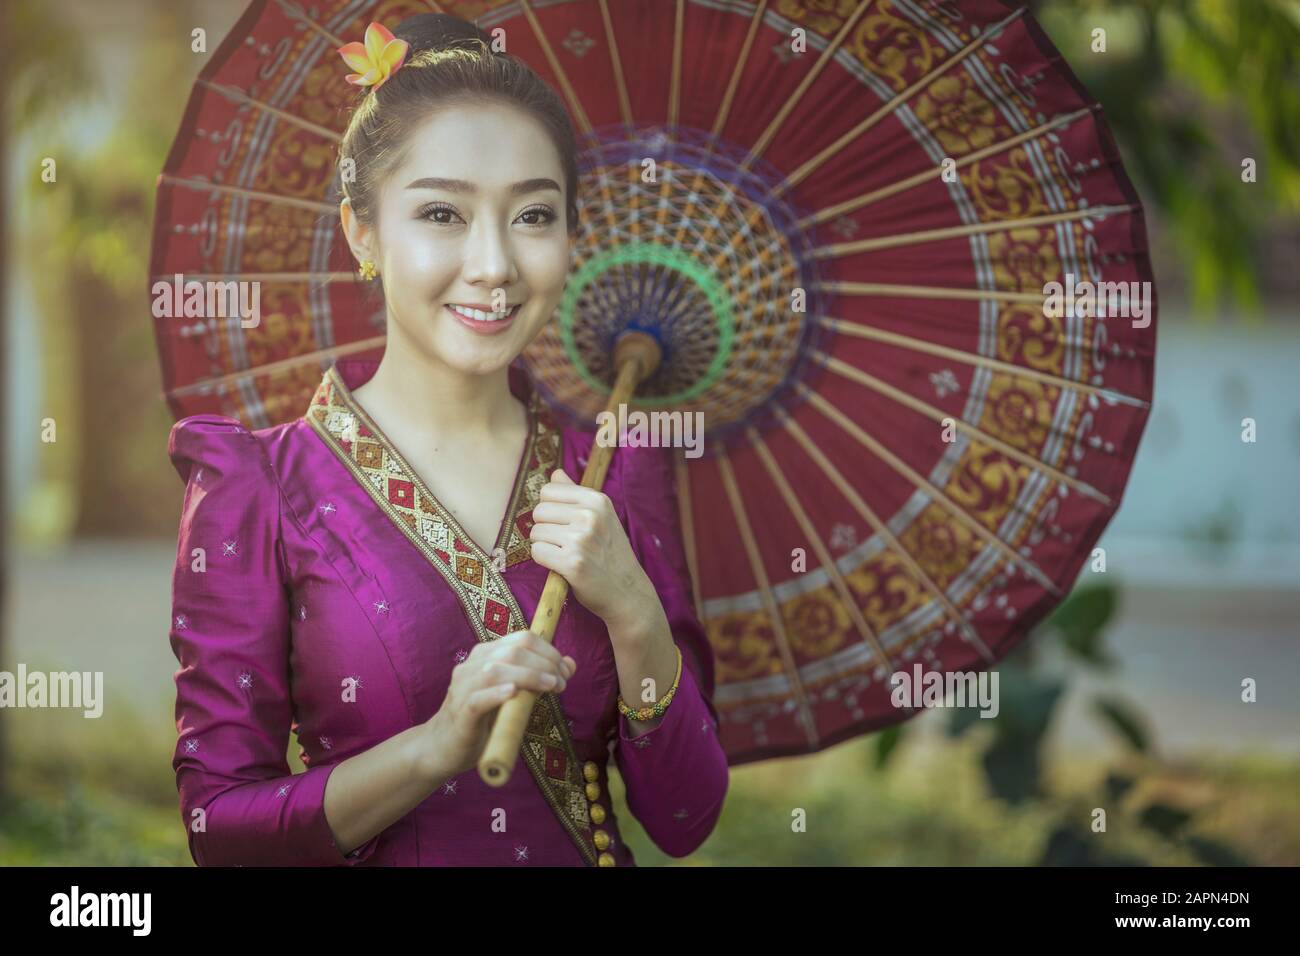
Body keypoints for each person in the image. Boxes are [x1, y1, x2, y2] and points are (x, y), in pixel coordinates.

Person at [166, 13, 728, 867]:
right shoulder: (258, 490)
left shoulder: (613, 472)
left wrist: (635, 612)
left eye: (534, 215)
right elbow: (220, 834)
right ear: (363, 233)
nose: (495, 264)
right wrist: (432, 750)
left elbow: (685, 820)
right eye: (441, 212)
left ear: (572, 236)